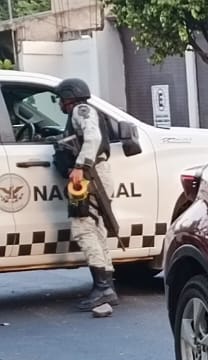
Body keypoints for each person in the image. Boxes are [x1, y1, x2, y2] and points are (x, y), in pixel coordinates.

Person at [53, 78, 119, 314]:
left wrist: (80, 166)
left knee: (83, 228)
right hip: (94, 174)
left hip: (91, 176)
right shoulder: (82, 111)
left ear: (69, 97)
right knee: (96, 228)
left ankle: (102, 287)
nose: (60, 103)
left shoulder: (81, 110)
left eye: (61, 98)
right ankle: (107, 286)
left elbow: (93, 138)